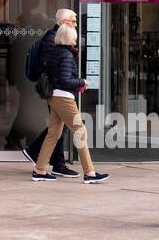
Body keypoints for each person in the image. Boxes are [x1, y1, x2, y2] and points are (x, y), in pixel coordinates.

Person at [32, 25, 108, 183]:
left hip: (55, 96)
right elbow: (65, 80)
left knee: (53, 134)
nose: (76, 38)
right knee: (80, 131)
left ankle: (39, 169)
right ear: (69, 37)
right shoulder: (66, 55)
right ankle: (90, 173)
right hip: (64, 98)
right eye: (74, 35)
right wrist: (82, 81)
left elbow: (58, 78)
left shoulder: (55, 53)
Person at [22, 8, 78, 177]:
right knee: (61, 128)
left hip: (59, 89)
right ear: (63, 22)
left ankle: (54, 162)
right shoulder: (53, 38)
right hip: (56, 90)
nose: (76, 24)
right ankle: (45, 157)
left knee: (58, 127)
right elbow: (50, 64)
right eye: (73, 21)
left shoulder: (57, 37)